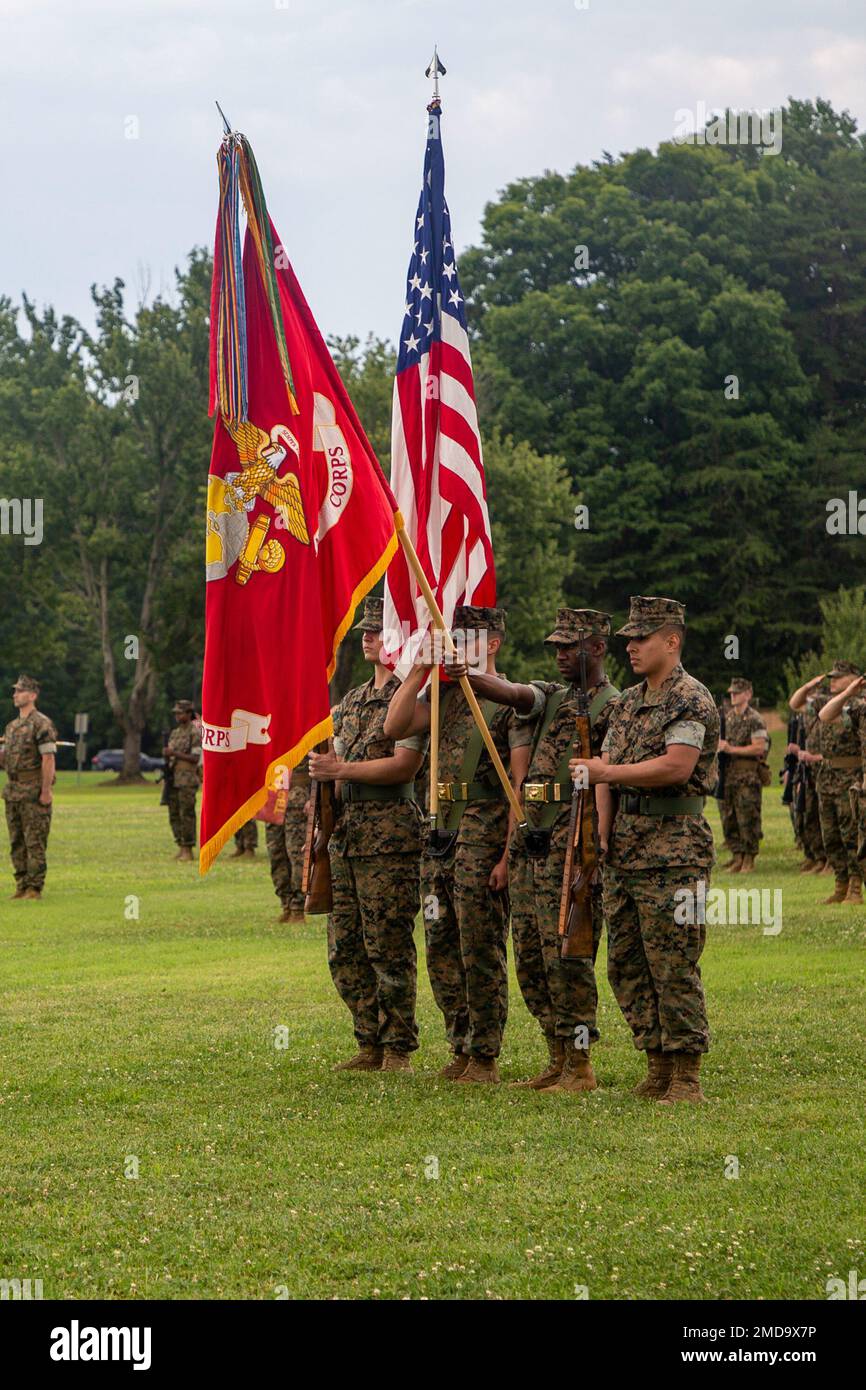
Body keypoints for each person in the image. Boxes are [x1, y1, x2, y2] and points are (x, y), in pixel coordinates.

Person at [440, 609, 618, 1093]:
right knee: (531, 956)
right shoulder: (552, 696)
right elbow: (516, 693)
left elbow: (610, 777)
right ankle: (556, 1056)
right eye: (556, 647)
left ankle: (579, 1064)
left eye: (570, 647)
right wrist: (469, 675)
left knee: (569, 952)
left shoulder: (613, 706)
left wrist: (597, 843)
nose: (560, 655)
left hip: (572, 837)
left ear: (598, 648)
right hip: (532, 837)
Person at [571, 596, 719, 1104]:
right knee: (628, 960)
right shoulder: (627, 703)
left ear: (671, 641)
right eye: (628, 639)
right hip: (626, 850)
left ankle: (686, 1075)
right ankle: (656, 1064)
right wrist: (603, 832)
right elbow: (604, 768)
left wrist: (605, 772)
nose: (631, 647)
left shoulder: (691, 699)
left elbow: (676, 767)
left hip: (675, 849)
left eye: (642, 638)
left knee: (673, 960)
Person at [384, 605, 530, 1084]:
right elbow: (394, 726)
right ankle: (460, 1044)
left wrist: (509, 856)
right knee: (441, 945)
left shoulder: (508, 702)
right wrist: (421, 669)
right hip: (440, 835)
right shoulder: (444, 699)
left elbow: (517, 785)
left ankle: (485, 1054)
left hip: (483, 839)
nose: (458, 646)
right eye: (454, 637)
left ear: (492, 644)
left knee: (479, 946)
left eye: (470, 638)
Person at [309, 597, 426, 1073]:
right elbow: (331, 770)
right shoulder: (353, 701)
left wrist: (342, 767)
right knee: (346, 947)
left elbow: (405, 764)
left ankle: (398, 1045)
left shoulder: (410, 699)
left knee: (388, 944)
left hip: (390, 836)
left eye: (378, 631)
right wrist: (320, 823)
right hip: (347, 834)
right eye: (366, 631)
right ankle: (368, 1041)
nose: (368, 637)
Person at [1, 674, 58, 900]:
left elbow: (48, 759)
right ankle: (21, 884)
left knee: (34, 840)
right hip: (13, 789)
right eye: (15, 691)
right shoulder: (11, 727)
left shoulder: (42, 723)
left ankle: (35, 887)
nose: (15, 695)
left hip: (33, 788)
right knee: (16, 840)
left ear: (32, 695)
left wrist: (45, 790)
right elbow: (7, 760)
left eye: (20, 691)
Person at [814, 663, 864, 904]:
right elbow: (823, 715)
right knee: (831, 835)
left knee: (852, 835)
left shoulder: (860, 704)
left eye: (838, 677)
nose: (832, 681)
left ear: (854, 678)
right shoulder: (841, 701)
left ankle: (856, 887)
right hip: (828, 778)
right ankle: (840, 884)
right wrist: (847, 692)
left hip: (852, 777)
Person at [718, 678, 769, 874]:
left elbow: (759, 748)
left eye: (737, 693)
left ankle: (749, 858)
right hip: (729, 775)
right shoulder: (728, 717)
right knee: (729, 816)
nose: (733, 696)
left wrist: (731, 749)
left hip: (747, 775)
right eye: (731, 693)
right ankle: (737, 855)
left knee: (747, 816)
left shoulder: (755, 718)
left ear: (748, 694)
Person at [266, 756, 309, 923]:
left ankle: (298, 907)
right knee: (276, 854)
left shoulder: (307, 731)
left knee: (297, 855)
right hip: (273, 798)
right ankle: (285, 904)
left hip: (297, 800)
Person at [164, 700, 201, 862]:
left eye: (180, 713)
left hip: (187, 778)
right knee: (174, 813)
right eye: (176, 713)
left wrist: (174, 753)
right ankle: (180, 845)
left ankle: (188, 848)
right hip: (173, 778)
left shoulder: (195, 732)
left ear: (188, 713)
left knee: (186, 813)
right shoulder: (175, 733)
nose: (177, 716)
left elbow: (195, 757)